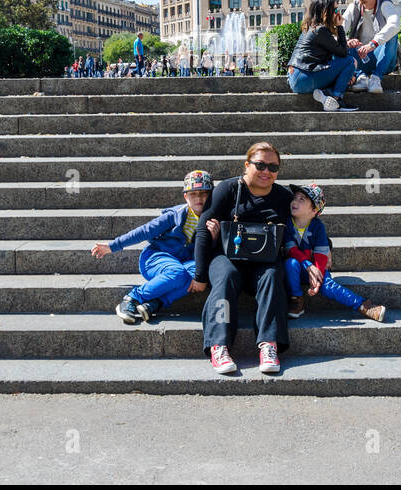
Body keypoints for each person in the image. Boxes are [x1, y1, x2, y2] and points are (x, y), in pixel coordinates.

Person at [190, 142, 292, 375]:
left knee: (273, 276)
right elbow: (203, 230)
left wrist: (325, 247)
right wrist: (200, 275)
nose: (267, 171)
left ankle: (269, 344)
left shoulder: (283, 196)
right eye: (260, 165)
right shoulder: (228, 189)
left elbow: (303, 227)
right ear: (247, 165)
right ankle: (220, 346)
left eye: (273, 167)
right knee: (225, 278)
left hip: (264, 260)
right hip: (227, 257)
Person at [93, 171, 220, 323]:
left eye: (204, 193)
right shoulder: (176, 215)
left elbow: (214, 254)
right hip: (157, 258)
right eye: (193, 193)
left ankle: (154, 304)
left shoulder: (216, 219)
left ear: (212, 195)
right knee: (177, 271)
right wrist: (113, 246)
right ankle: (132, 298)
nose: (199, 198)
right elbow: (144, 231)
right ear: (185, 196)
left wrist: (214, 239)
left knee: (198, 273)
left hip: (186, 263)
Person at [283, 183, 386, 322]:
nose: (295, 202)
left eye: (302, 200)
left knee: (328, 287)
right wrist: (309, 266)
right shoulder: (288, 223)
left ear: (314, 210)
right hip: (298, 269)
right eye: (295, 198)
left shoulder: (318, 227)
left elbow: (321, 254)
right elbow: (291, 249)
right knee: (291, 263)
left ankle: (362, 305)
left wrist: (317, 280)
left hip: (317, 268)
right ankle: (297, 301)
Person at [288, 0, 357, 112]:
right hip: (304, 78)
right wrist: (340, 27)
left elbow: (335, 54)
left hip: (296, 78)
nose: (337, 13)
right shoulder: (320, 30)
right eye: (335, 10)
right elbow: (343, 53)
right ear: (326, 11)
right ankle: (336, 99)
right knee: (350, 61)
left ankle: (325, 94)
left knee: (342, 63)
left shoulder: (311, 27)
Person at [341, 0, 401, 95]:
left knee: (392, 34)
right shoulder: (353, 7)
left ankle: (376, 78)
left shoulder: (385, 4)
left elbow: (395, 23)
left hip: (384, 59)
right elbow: (338, 30)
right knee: (340, 42)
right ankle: (360, 77)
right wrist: (347, 40)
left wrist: (373, 44)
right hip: (360, 59)